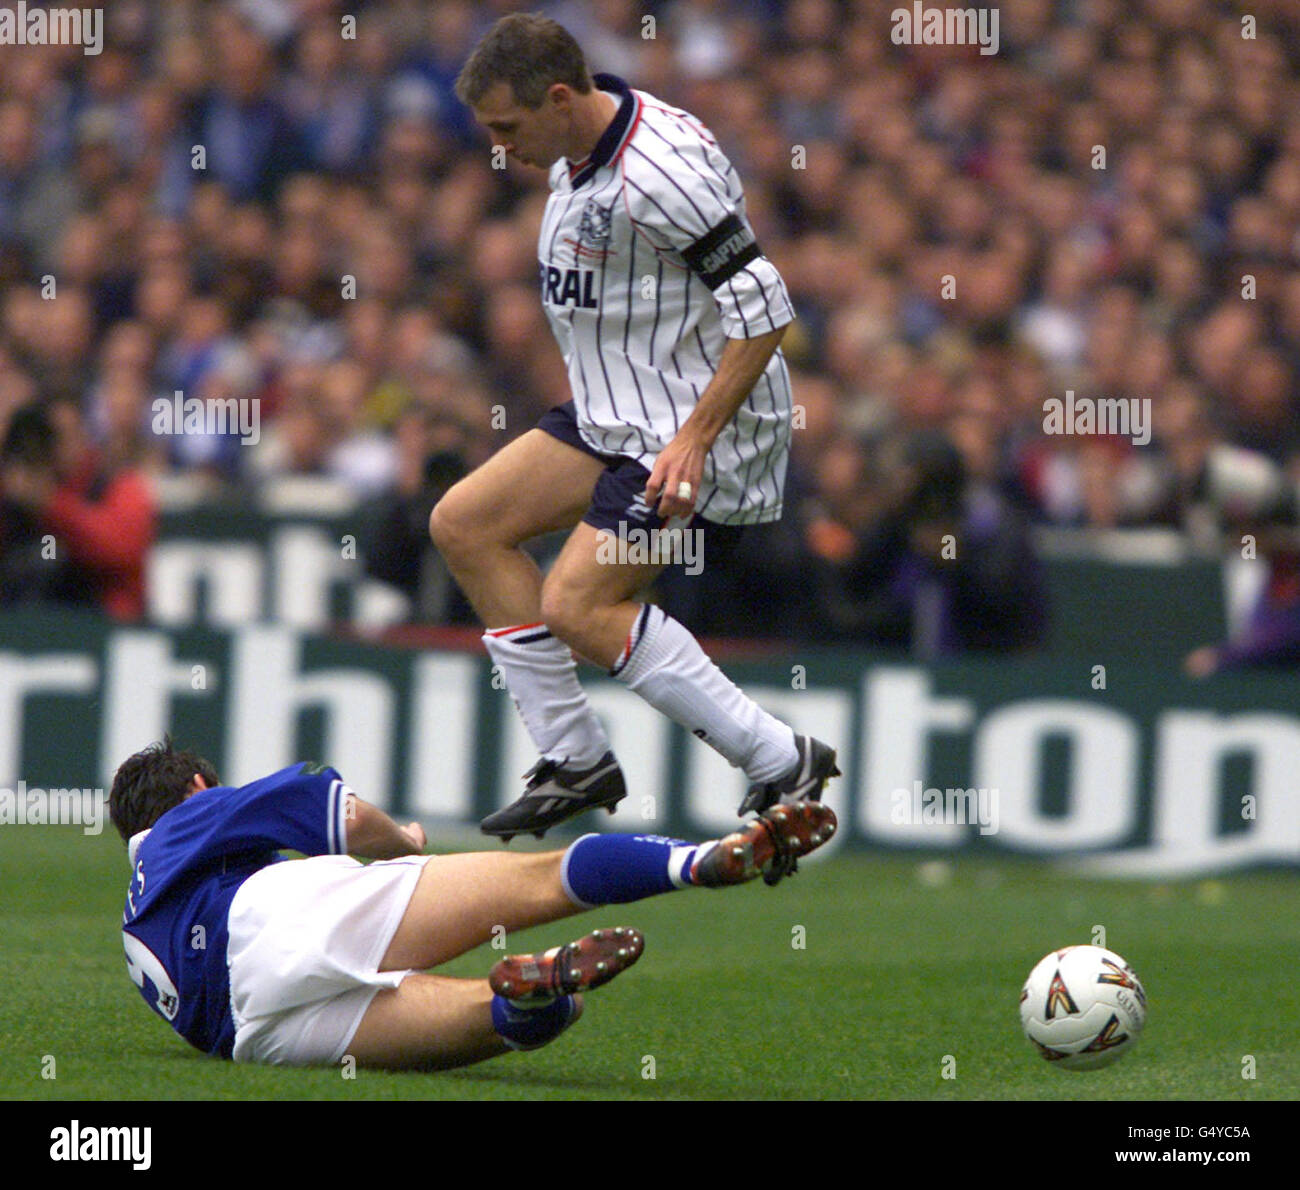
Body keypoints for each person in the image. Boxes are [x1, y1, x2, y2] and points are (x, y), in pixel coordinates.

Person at [429, 14, 837, 864]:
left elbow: (765, 308)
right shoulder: (581, 145)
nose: (499, 149)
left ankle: (781, 758)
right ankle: (575, 759)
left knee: (578, 603)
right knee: (464, 524)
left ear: (559, 97)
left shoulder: (658, 171)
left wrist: (692, 439)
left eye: (507, 129)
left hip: (690, 418)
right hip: (616, 406)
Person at [111, 738, 837, 1070]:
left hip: (250, 1034)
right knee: (537, 882)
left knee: (501, 1022)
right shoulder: (192, 816)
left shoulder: (133, 921)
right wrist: (404, 844)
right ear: (198, 789)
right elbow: (352, 818)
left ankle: (527, 999)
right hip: (265, 920)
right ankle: (696, 860)